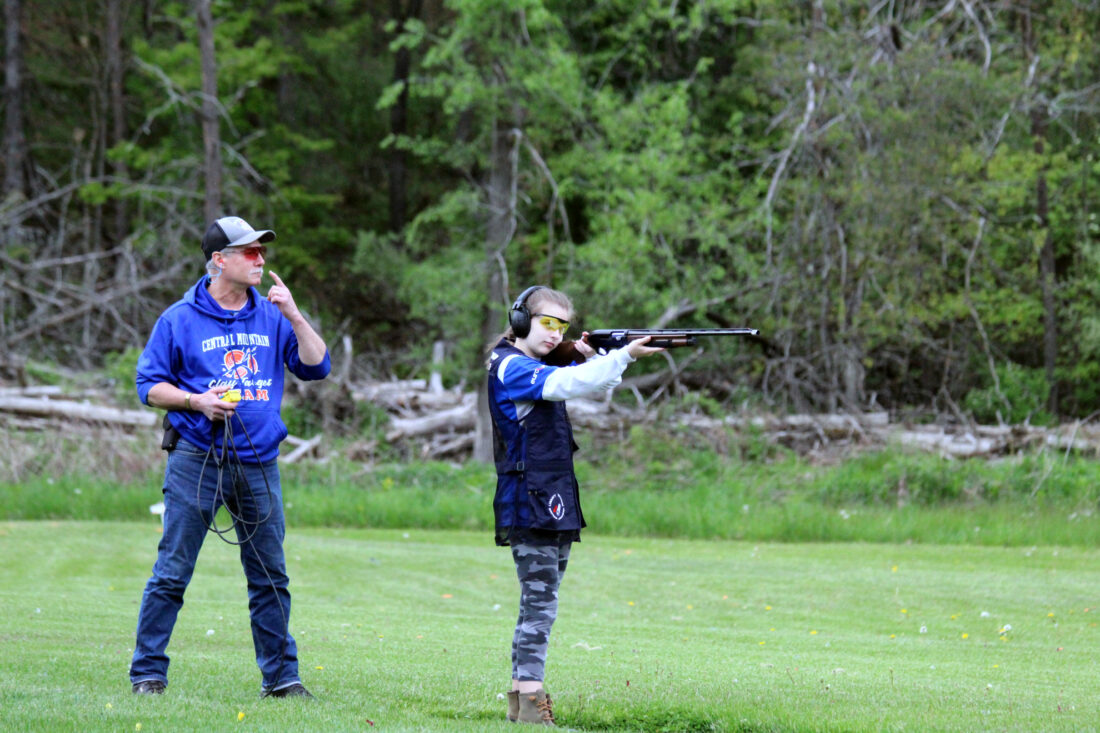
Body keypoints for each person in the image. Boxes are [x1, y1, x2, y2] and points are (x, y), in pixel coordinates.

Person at [129, 216, 330, 698]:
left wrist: (295, 316)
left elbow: (317, 366)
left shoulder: (272, 313)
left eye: (262, 251)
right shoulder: (179, 318)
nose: (260, 259)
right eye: (249, 252)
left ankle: (282, 679)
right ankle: (147, 674)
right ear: (219, 260)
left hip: (258, 463)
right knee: (173, 571)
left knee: (270, 576)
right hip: (197, 460)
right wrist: (195, 401)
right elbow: (147, 387)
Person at [486, 285, 663, 725]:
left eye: (561, 326)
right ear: (522, 320)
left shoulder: (529, 361)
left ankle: (520, 698)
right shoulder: (513, 366)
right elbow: (566, 384)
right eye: (546, 323)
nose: (553, 333)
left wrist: (591, 354)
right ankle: (531, 703)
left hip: (549, 495)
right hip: (532, 500)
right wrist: (619, 357)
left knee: (538, 603)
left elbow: (577, 375)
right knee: (540, 604)